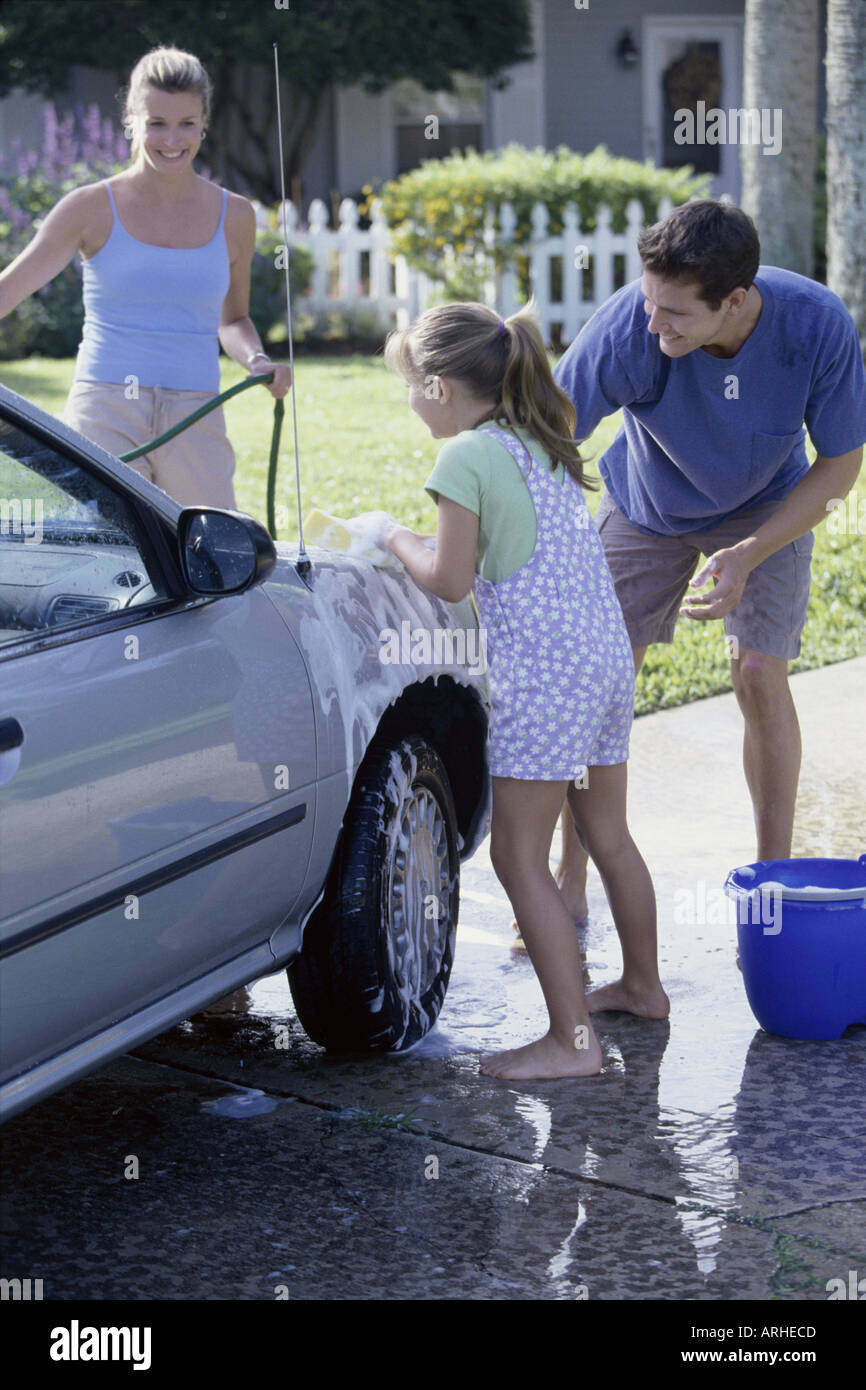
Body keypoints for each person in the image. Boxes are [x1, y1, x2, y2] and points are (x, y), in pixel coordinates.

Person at [374, 300, 668, 1082]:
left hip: (545, 679)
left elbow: (448, 577)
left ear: (438, 386)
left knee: (516, 856)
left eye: (409, 384)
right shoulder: (536, 439)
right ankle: (643, 988)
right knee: (609, 836)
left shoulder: (465, 457)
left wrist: (390, 535)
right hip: (603, 665)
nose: (408, 400)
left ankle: (572, 1045)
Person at [551, 200, 866, 925]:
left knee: (758, 673)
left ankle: (770, 884)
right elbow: (550, 430)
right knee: (599, 675)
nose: (653, 322)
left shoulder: (815, 325)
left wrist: (752, 552)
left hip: (768, 503)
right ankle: (570, 876)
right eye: (650, 303)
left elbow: (841, 466)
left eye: (675, 314)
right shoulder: (630, 324)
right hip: (647, 500)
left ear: (736, 301)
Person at [0, 45, 292, 508]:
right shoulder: (89, 207)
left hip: (195, 411)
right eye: (156, 123)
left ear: (204, 123)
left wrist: (257, 360)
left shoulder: (235, 215)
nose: (171, 139)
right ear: (131, 119)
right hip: (104, 410)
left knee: (211, 562)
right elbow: (8, 291)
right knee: (106, 558)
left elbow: (233, 320)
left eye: (186, 124)